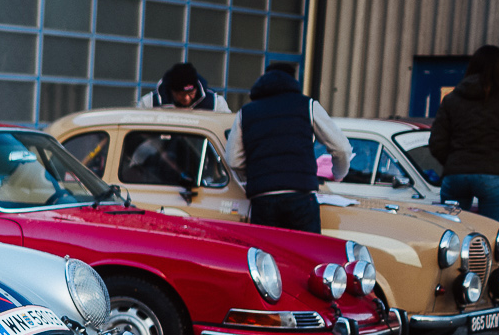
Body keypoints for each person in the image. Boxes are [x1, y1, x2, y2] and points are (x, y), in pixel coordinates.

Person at [225, 64, 351, 233]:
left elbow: (233, 160)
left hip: (263, 200)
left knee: (267, 257)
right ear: (292, 81)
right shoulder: (307, 105)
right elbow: (341, 148)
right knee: (305, 256)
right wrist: (338, 174)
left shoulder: (245, 113)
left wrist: (257, 175)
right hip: (300, 197)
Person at [428, 44, 499, 224]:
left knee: (450, 233)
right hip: (495, 172)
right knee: (494, 236)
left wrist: (454, 162)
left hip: (456, 173)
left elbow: (437, 141)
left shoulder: (453, 98)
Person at [136, 62, 231, 112]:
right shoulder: (150, 103)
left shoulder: (215, 104)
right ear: (171, 91)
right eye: (181, 94)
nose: (186, 98)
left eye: (191, 93)